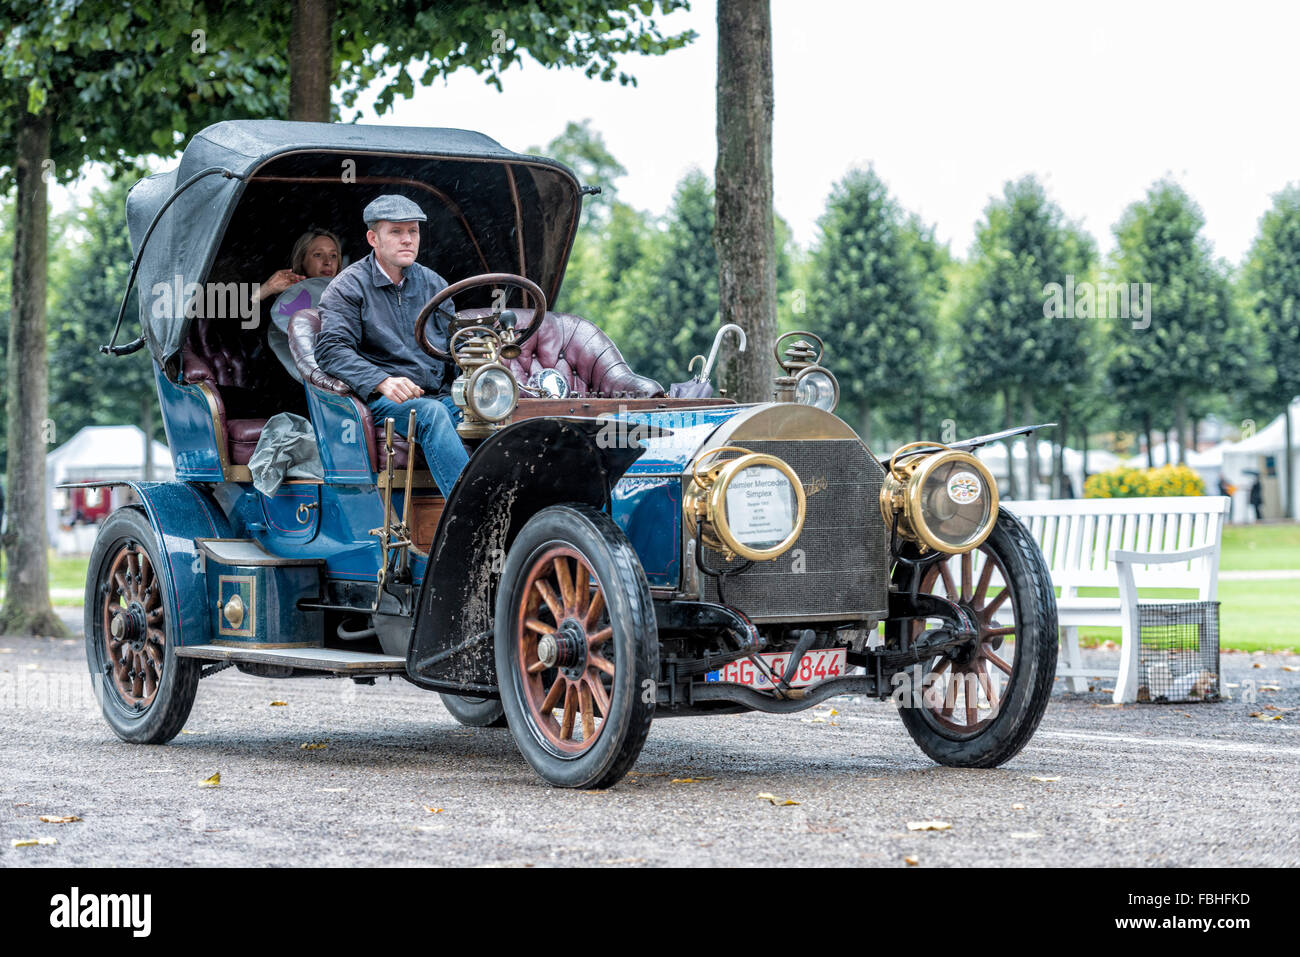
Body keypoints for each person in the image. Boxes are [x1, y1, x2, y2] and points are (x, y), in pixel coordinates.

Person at [314, 195, 469, 497]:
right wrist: (381, 381)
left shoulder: (433, 283)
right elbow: (331, 349)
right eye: (396, 232)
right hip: (382, 400)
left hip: (438, 393)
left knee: (498, 413)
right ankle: (474, 514)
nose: (407, 240)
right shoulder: (348, 286)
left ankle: (526, 508)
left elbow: (455, 343)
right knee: (430, 413)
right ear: (373, 238)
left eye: (413, 231)